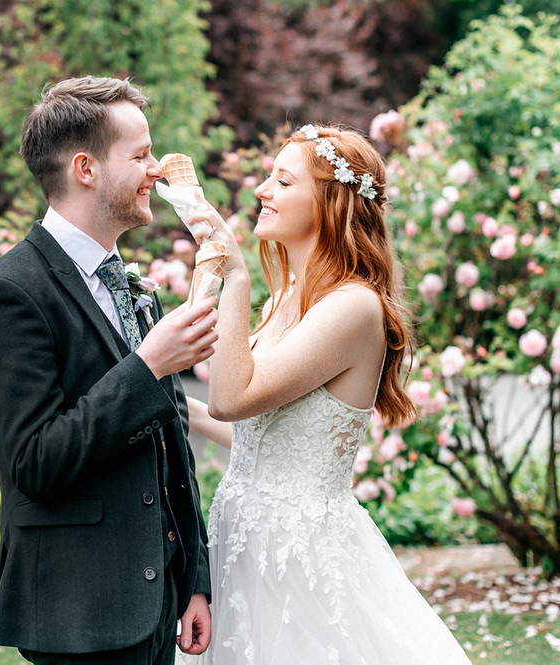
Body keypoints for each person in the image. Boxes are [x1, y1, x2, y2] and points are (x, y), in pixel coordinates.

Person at [183, 125, 472, 664]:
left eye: (282, 181)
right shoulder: (288, 297)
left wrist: (235, 279)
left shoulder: (351, 307)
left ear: (330, 202)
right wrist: (181, 411)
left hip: (301, 555)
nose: (262, 191)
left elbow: (231, 397)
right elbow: (262, 437)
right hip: (243, 537)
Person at [0, 76, 215, 665]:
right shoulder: (7, 293)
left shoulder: (131, 285)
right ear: (86, 168)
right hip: (81, 614)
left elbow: (171, 444)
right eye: (141, 154)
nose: (156, 169)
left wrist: (193, 576)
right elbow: (36, 463)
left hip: (159, 603)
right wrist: (147, 366)